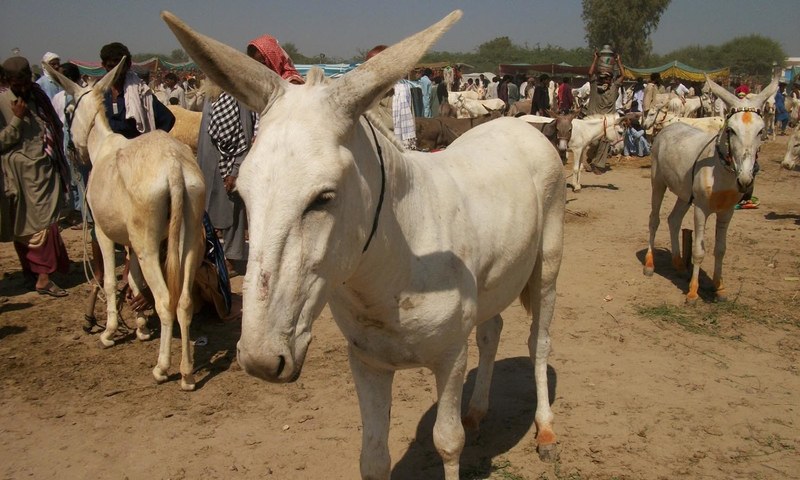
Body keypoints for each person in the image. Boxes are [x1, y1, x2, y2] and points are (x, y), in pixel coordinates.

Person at [98, 42, 176, 311]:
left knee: (141, 231)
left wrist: (148, 145)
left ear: (127, 65)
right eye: (108, 66)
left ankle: (143, 288)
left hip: (137, 169)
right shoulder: (102, 95)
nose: (113, 70)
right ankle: (126, 280)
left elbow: (167, 120)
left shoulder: (141, 92)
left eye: (117, 65)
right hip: (110, 170)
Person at [0, 56, 71, 297]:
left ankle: (38, 275)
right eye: (16, 82)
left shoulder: (38, 96)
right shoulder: (2, 102)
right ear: (7, 81)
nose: (22, 86)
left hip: (44, 169)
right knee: (31, 227)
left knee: (46, 222)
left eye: (25, 80)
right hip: (20, 176)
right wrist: (17, 120)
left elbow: (53, 125)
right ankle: (40, 277)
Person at [584, 49, 624, 174]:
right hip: (594, 120)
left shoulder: (614, 87)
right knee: (594, 142)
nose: (605, 81)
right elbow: (590, 74)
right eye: (602, 78)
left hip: (608, 121)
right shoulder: (595, 86)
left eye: (607, 79)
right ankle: (588, 158)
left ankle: (598, 165)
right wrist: (595, 59)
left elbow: (623, 76)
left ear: (611, 80)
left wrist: (618, 61)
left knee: (605, 141)